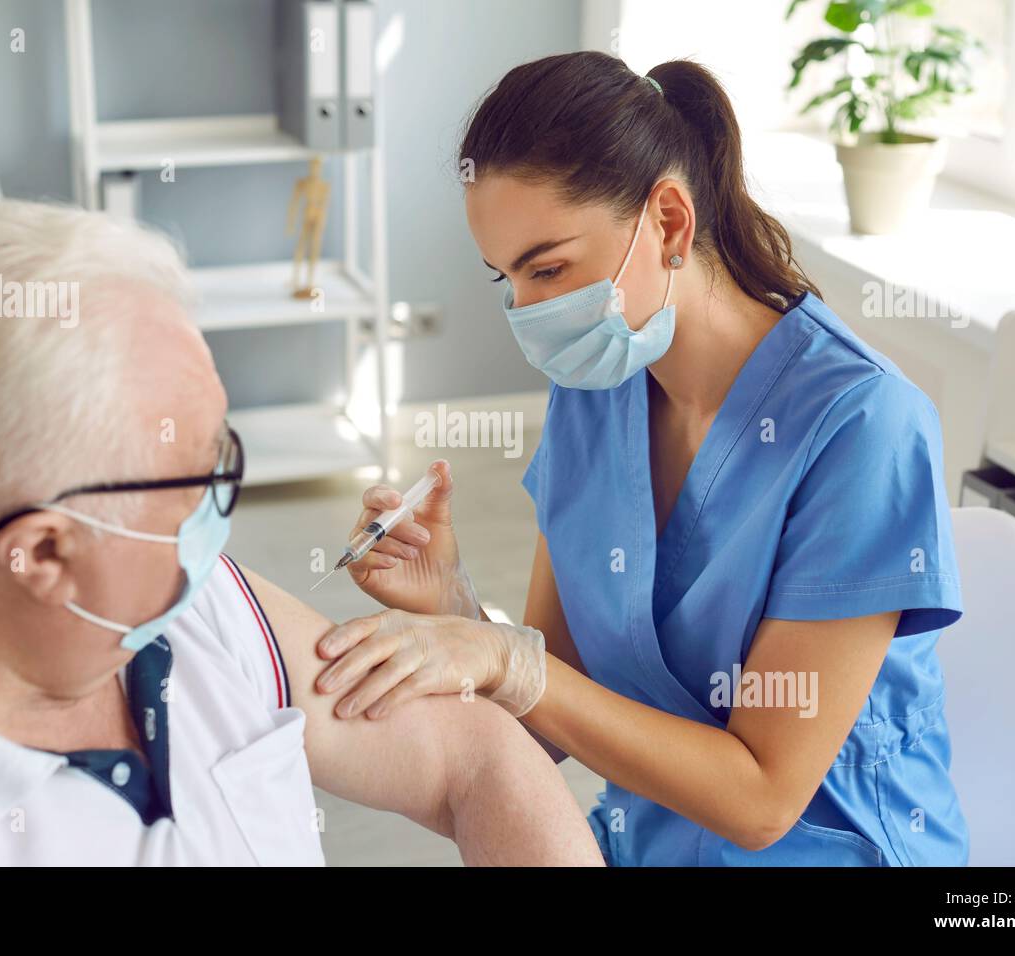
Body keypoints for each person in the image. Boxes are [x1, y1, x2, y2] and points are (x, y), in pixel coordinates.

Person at [315, 53, 968, 867]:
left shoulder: (861, 426)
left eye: (549, 267)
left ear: (668, 221)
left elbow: (762, 800)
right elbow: (550, 707)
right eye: (508, 279)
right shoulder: (597, 387)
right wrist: (456, 610)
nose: (529, 311)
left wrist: (508, 663)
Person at [0, 199, 602, 866]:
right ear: (48, 551)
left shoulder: (170, 600)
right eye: (198, 477)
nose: (215, 515)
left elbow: (477, 757)